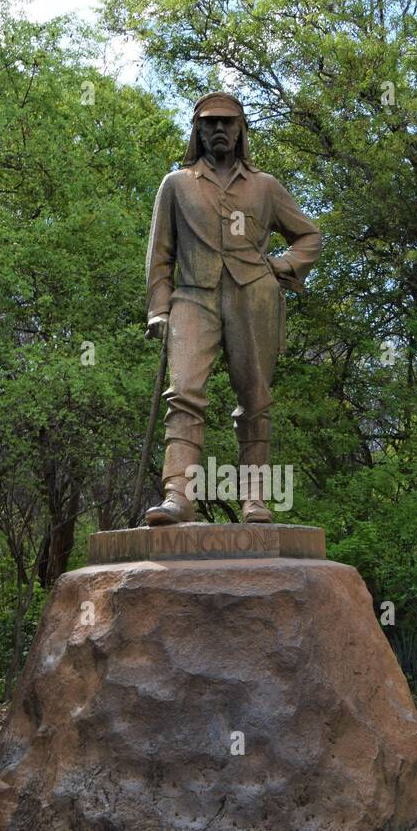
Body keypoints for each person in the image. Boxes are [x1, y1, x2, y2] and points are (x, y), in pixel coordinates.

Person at [144, 91, 321, 525]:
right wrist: (158, 309)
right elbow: (160, 255)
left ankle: (255, 500)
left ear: (241, 129)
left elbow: (309, 236)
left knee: (255, 400)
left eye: (227, 122)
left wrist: (280, 267)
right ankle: (177, 497)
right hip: (192, 297)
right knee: (184, 392)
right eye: (210, 123)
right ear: (198, 130)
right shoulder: (177, 184)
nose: (219, 129)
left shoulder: (265, 187)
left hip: (253, 297)